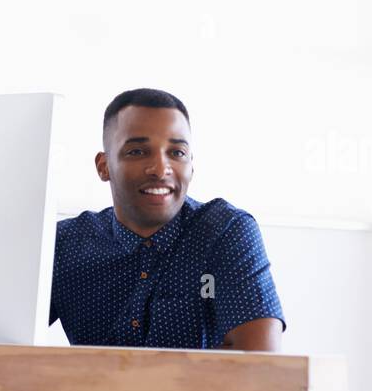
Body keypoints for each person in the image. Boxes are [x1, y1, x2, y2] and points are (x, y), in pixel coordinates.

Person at [49, 88, 285, 351]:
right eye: (137, 152)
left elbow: (261, 367)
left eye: (177, 153)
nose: (161, 170)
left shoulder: (225, 232)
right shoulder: (64, 244)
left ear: (191, 165)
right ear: (104, 166)